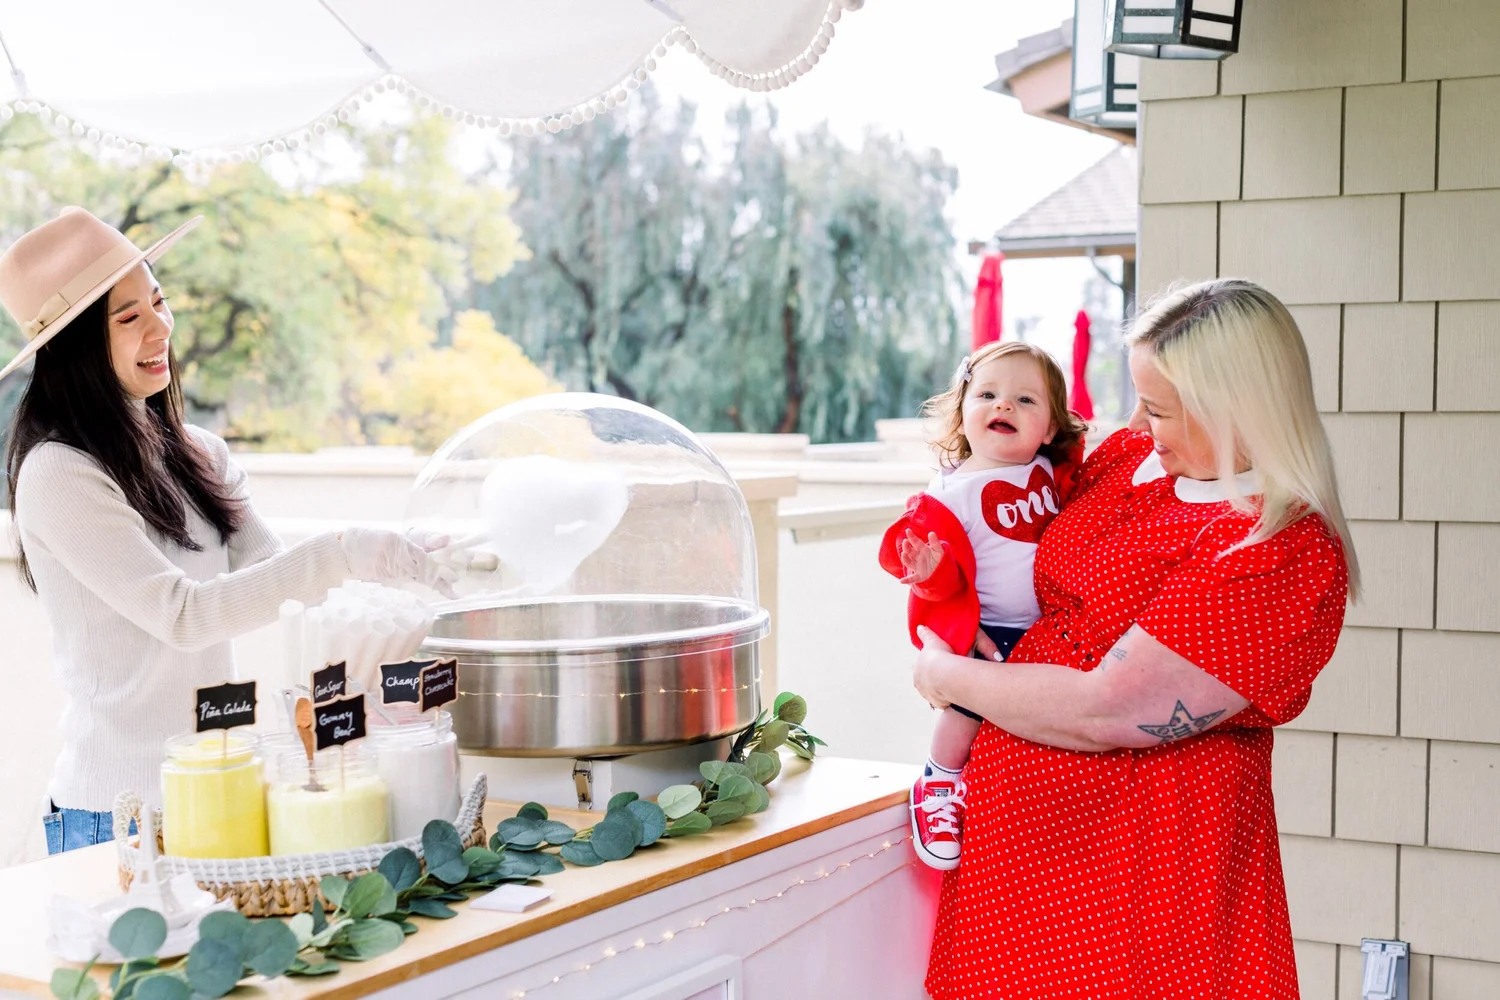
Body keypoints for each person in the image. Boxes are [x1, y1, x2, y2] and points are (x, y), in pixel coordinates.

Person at [913, 279, 1357, 1000]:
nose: (1138, 423)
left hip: (1137, 884)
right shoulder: (1129, 459)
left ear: (1235, 411)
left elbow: (1110, 709)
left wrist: (944, 676)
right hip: (1021, 859)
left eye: (1160, 409)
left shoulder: (1276, 547)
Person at [0, 207, 455, 854]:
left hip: (224, 790)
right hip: (119, 815)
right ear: (73, 347)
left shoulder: (199, 452)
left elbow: (273, 573)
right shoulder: (58, 473)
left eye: (159, 302)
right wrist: (344, 552)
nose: (160, 327)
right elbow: (183, 615)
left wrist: (391, 569)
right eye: (128, 317)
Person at [877, 342, 1085, 870]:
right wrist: (929, 569)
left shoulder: (1048, 470)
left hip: (1049, 630)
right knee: (966, 711)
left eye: (1025, 400)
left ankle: (993, 791)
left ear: (1050, 428)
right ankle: (939, 783)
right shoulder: (950, 494)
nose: (1004, 405)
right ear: (963, 411)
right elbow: (940, 582)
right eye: (988, 395)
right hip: (987, 630)